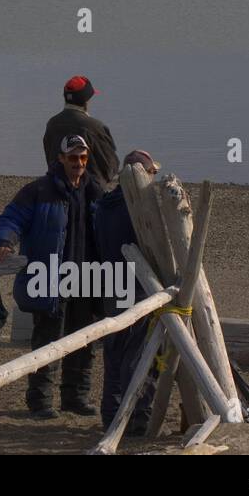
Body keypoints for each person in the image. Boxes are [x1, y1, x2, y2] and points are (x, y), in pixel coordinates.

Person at [0, 135, 104, 418]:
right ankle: (40, 401)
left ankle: (75, 398)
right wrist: (5, 241)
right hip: (50, 278)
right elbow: (12, 217)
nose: (78, 163)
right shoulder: (38, 191)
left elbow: (110, 223)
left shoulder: (95, 192)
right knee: (47, 342)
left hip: (87, 278)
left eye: (83, 158)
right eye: (72, 158)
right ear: (60, 159)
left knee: (85, 340)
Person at [93, 149, 160, 435]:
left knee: (115, 354)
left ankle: (111, 415)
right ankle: (137, 417)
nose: (153, 178)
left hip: (110, 284)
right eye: (151, 173)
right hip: (138, 287)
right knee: (142, 355)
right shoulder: (137, 208)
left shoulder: (103, 206)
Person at [43, 76, 119, 186]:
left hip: (56, 186)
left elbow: (49, 158)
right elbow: (110, 166)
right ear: (86, 101)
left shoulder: (52, 123)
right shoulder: (95, 126)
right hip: (89, 191)